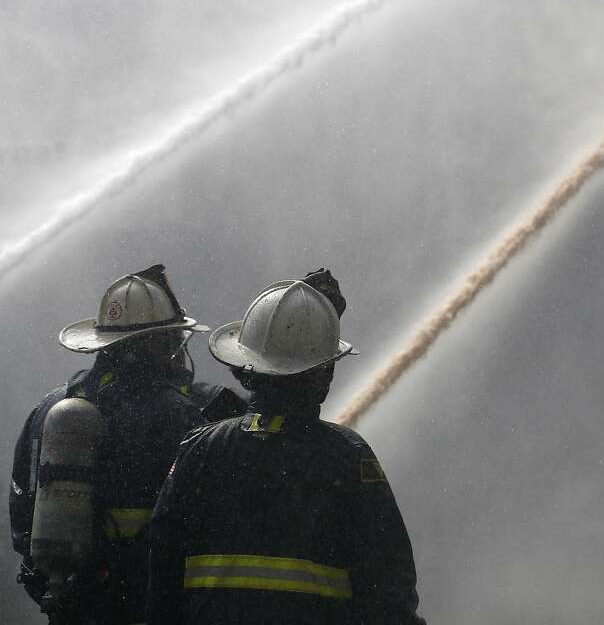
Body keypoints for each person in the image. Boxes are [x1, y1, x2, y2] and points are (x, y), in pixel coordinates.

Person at [146, 271, 425, 624]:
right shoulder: (348, 458)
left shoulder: (198, 450)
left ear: (246, 365)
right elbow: (388, 587)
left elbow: (162, 578)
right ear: (322, 375)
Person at [9, 264, 245, 624]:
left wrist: (72, 593)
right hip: (156, 609)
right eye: (172, 340)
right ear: (162, 341)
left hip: (74, 608)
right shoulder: (191, 418)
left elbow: (22, 517)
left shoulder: (51, 410)